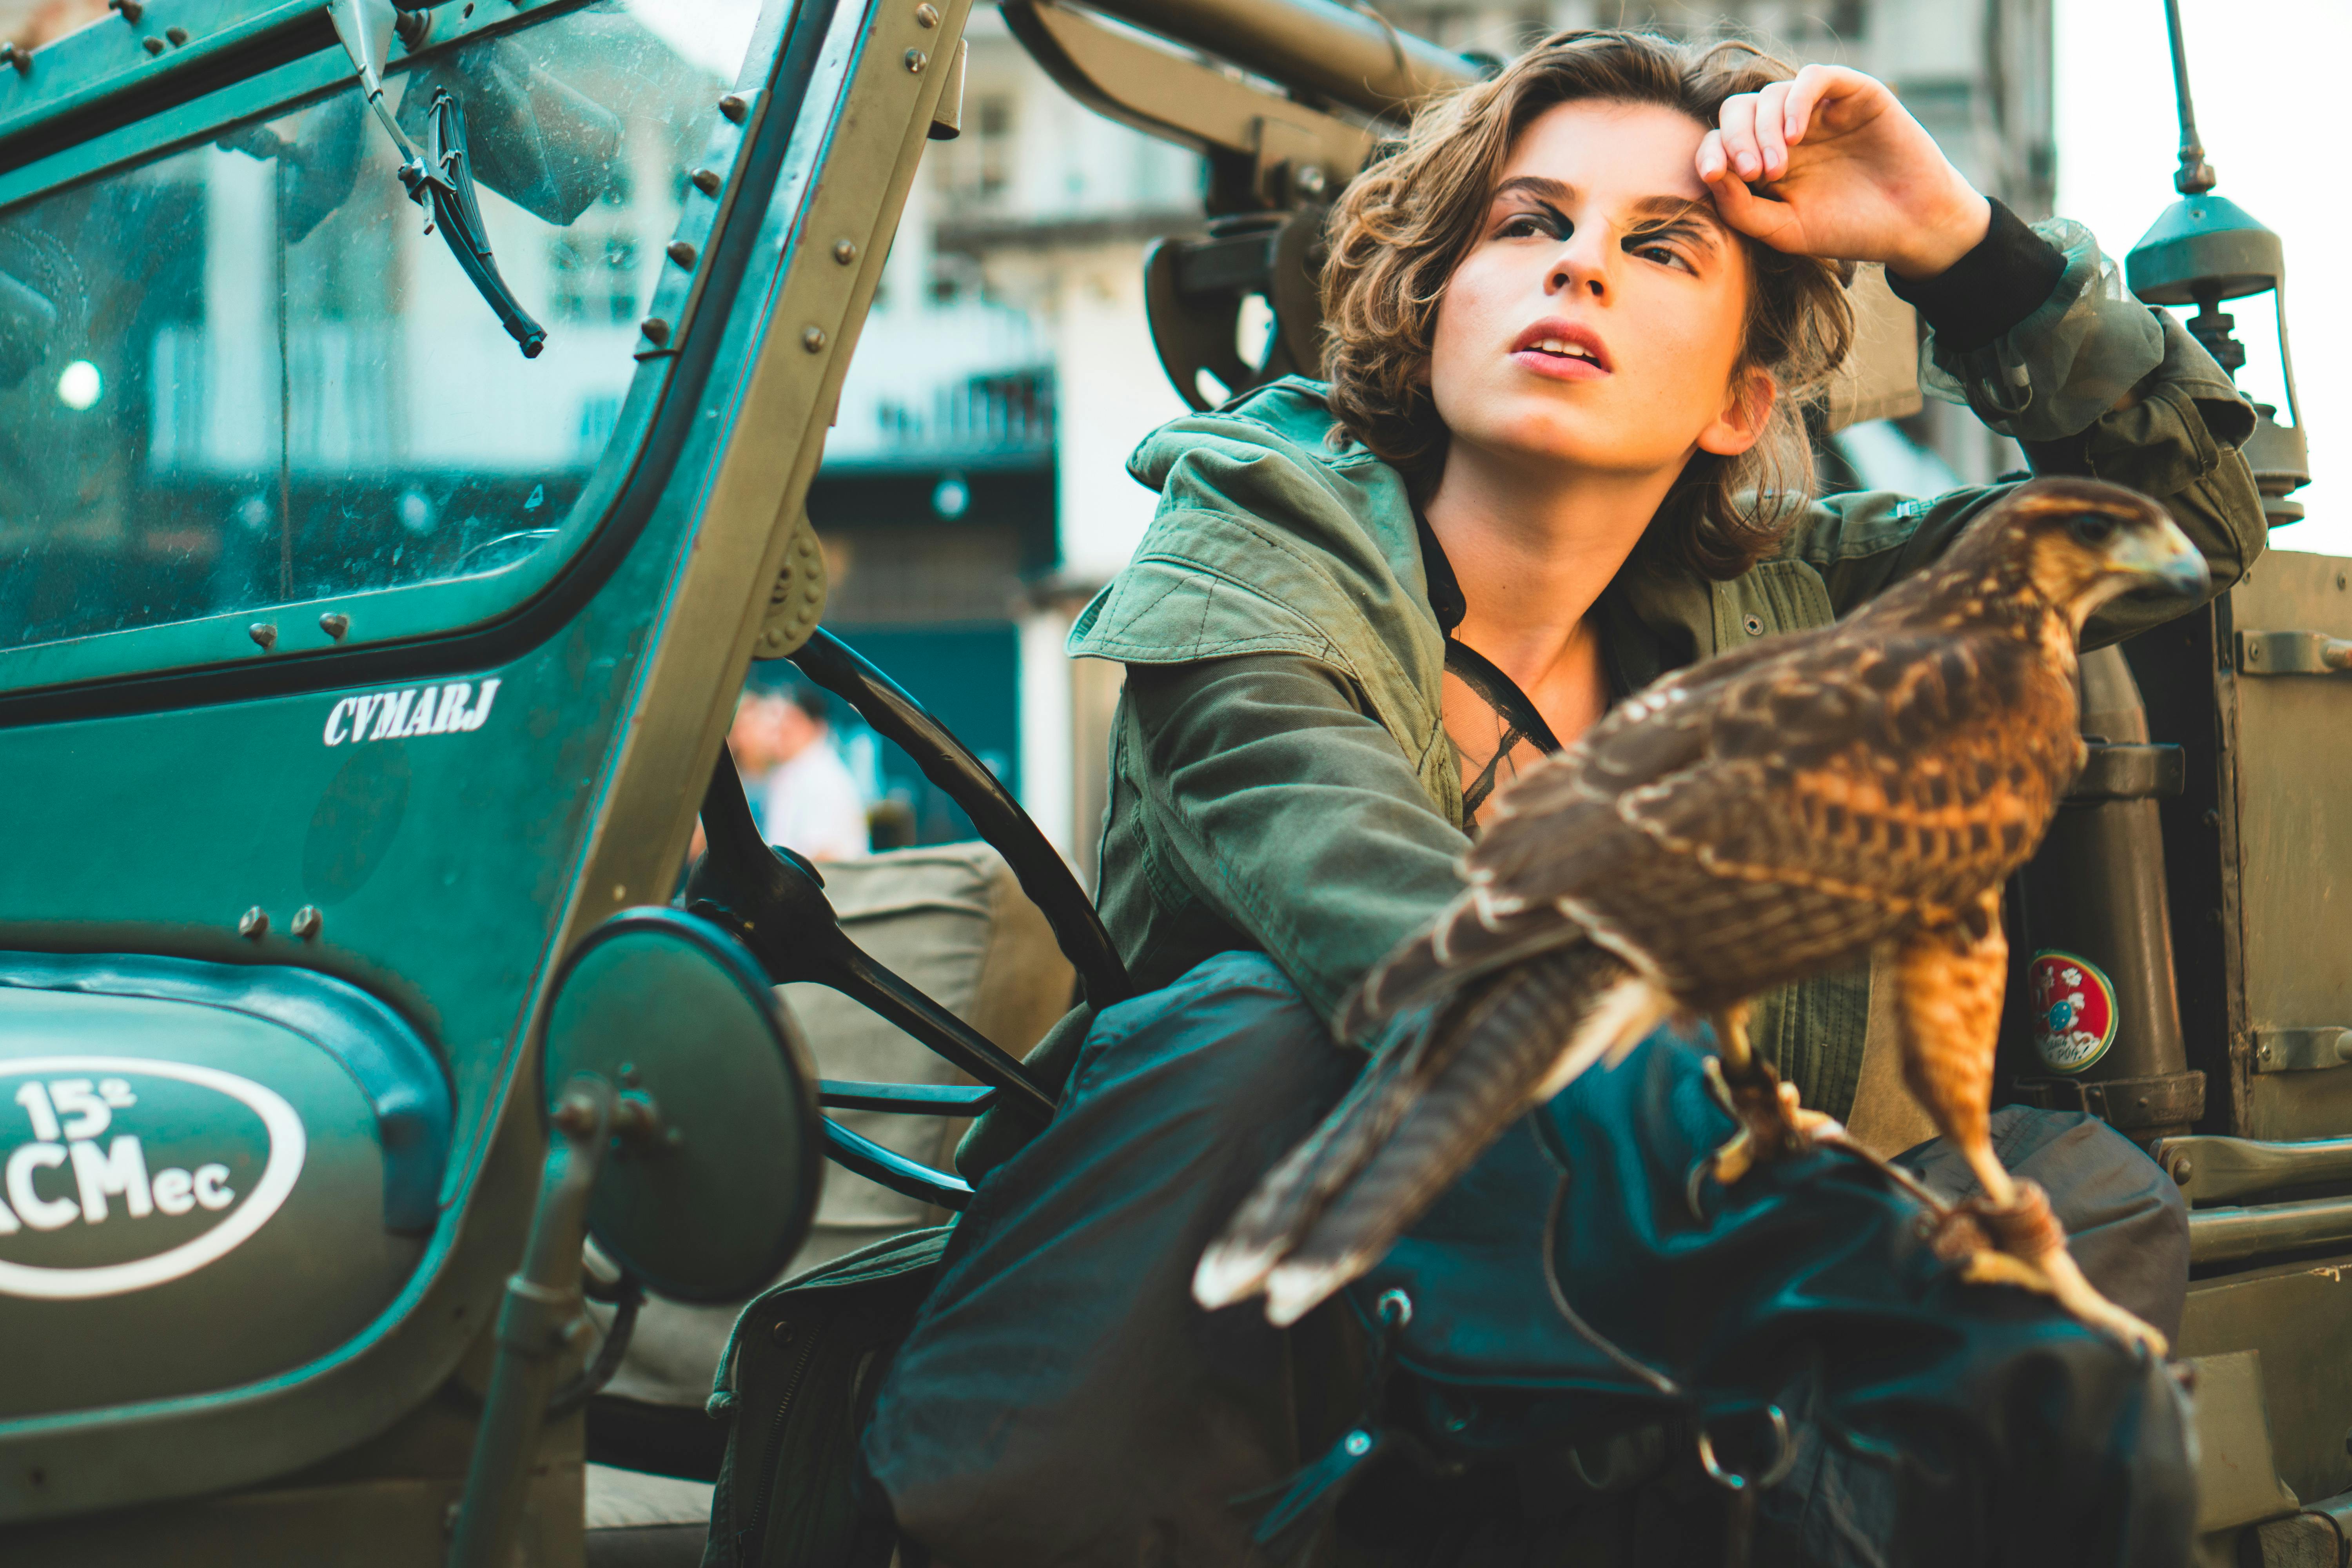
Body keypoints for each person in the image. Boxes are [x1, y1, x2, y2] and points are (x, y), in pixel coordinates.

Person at [864, 33, 2257, 1567]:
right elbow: (1342, 862)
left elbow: (2191, 525)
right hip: (1259, 1346)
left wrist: (1961, 245)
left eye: (1660, 246)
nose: (1579, 268)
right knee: (1256, 1021)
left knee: (2079, 1194)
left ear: (1740, 399)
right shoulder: (1263, 512)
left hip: (1595, 1382)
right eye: (1530, 225)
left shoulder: (1801, 602)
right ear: (1434, 301)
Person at [754, 681, 871, 862]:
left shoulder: (824, 778)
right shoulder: (793, 771)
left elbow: (822, 857)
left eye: (792, 720)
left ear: (817, 726)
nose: (782, 729)